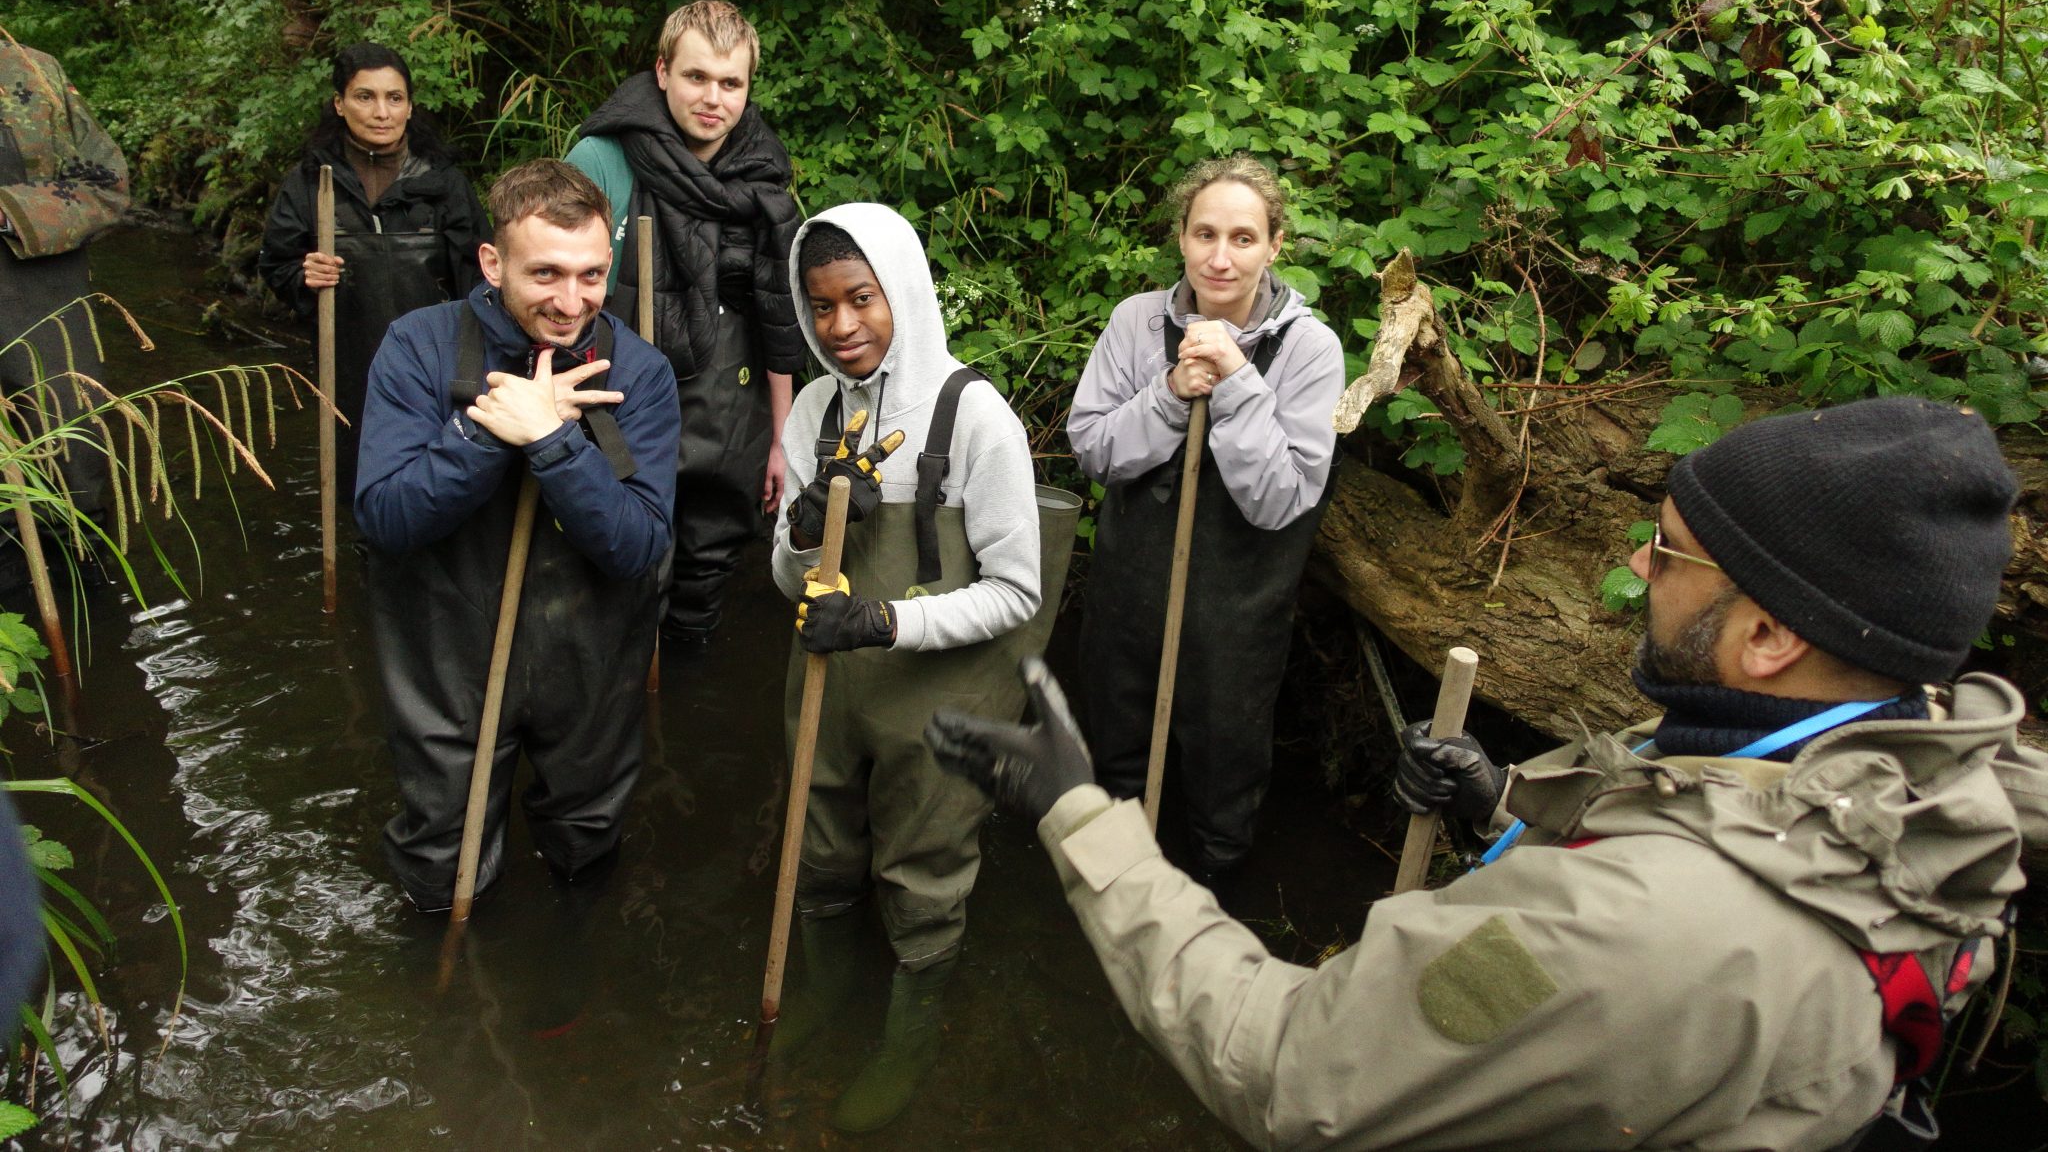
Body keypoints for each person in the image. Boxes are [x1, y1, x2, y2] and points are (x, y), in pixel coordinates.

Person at [929, 397, 2048, 1151]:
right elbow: (1733, 821)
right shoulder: (1935, 779)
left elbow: (1284, 1068)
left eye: (1665, 552)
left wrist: (1078, 812)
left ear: (1765, 638)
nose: (1629, 564)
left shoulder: (1631, 935)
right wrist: (1509, 806)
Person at [770, 203, 1050, 1133]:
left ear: (906, 291)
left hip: (939, 688)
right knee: (820, 842)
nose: (840, 327)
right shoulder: (814, 408)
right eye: (820, 307)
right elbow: (784, 573)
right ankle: (822, 994)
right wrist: (800, 537)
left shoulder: (976, 417)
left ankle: (910, 1032)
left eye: (861, 300)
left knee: (922, 863)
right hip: (828, 678)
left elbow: (1016, 593)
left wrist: (886, 617)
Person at [354, 159, 680, 911]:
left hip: (592, 649)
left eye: (592, 274)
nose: (572, 302)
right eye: (546, 274)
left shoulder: (642, 371)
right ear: (493, 262)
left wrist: (552, 442)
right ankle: (444, 1017)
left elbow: (639, 545)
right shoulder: (417, 346)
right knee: (444, 861)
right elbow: (386, 517)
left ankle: (571, 987)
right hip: (447, 649)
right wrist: (486, 434)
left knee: (586, 844)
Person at [1066, 154, 1343, 891]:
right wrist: (1166, 394)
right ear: (1181, 238)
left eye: (1244, 238)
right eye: (1205, 234)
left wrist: (1235, 385)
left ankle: (1213, 918)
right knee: (1114, 762)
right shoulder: (1135, 323)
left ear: (1276, 244)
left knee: (1222, 779)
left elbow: (1282, 499)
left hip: (1235, 616)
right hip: (1128, 600)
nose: (1221, 258)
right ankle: (1113, 906)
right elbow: (1092, 448)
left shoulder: (1309, 350)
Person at [569, 0, 803, 649]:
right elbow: (555, 302)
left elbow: (775, 313)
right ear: (662, 71)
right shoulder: (601, 159)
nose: (713, 99)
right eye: (697, 77)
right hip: (619, 411)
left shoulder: (763, 174)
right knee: (622, 590)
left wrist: (783, 439)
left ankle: (684, 725)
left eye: (731, 83)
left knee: (700, 597)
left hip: (732, 415)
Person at [257, 42, 490, 503]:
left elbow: (482, 277)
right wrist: (305, 274)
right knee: (362, 483)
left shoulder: (443, 183)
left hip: (437, 364)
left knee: (438, 482)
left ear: (410, 106)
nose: (382, 111)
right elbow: (276, 265)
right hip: (347, 366)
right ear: (339, 104)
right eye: (365, 97)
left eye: (394, 97)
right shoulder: (311, 181)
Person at [0, 38, 128, 588]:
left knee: (74, 485)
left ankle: (102, 657)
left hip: (41, 314)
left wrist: (9, 212)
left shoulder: (34, 72)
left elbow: (107, 186)